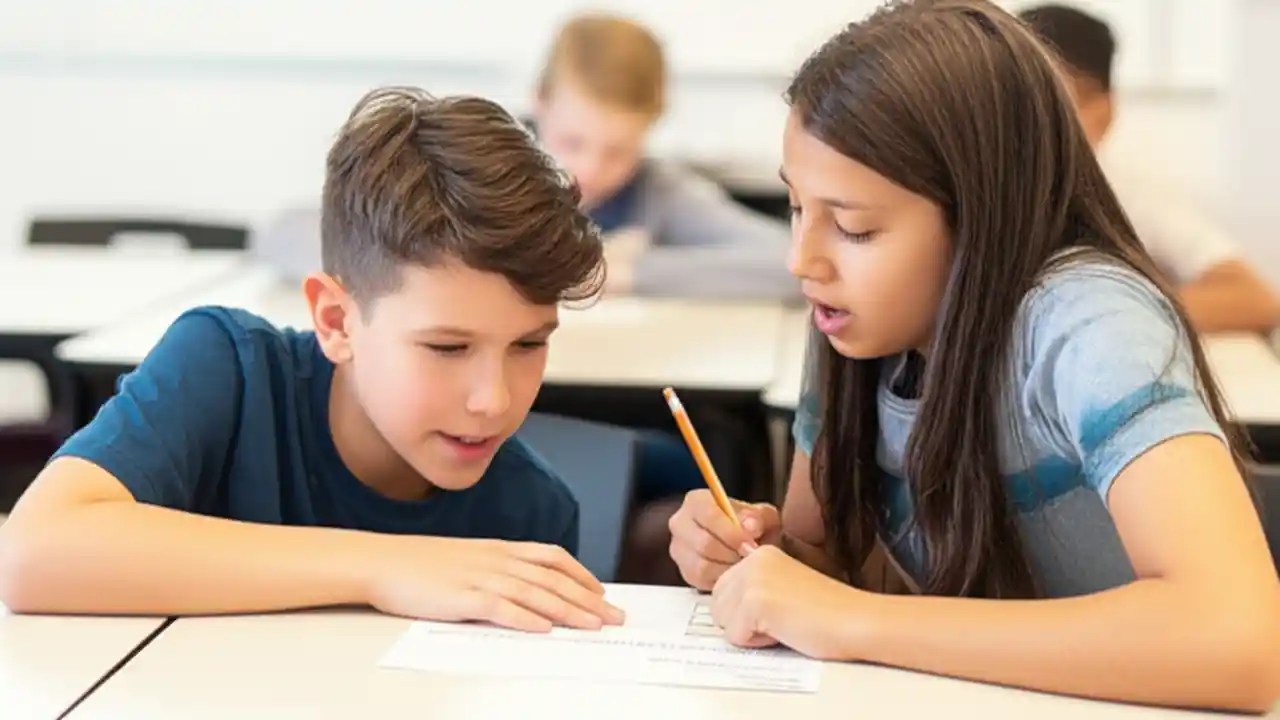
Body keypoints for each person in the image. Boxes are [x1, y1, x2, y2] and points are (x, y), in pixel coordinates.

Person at [666, 1, 1279, 712]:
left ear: (982, 214)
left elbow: (1240, 642)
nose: (801, 260)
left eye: (854, 228)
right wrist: (762, 561)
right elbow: (828, 565)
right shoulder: (851, 319)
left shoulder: (1088, 322)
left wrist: (852, 619)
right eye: (797, 207)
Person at [0, 87, 625, 634]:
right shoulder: (230, 370)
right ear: (335, 321)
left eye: (528, 345)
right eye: (446, 348)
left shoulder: (533, 513)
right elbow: (33, 552)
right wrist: (386, 565)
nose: (493, 399)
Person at [1020, 3, 1280, 333]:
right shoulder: (986, 187)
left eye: (1059, 101)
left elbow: (1255, 299)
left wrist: (1116, 311)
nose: (1040, 125)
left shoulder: (1131, 196)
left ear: (1104, 111)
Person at [532, 13, 797, 300]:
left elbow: (796, 263)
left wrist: (627, 271)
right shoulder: (495, 171)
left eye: (618, 152)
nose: (590, 169)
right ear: (539, 102)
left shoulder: (657, 193)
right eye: (571, 143)